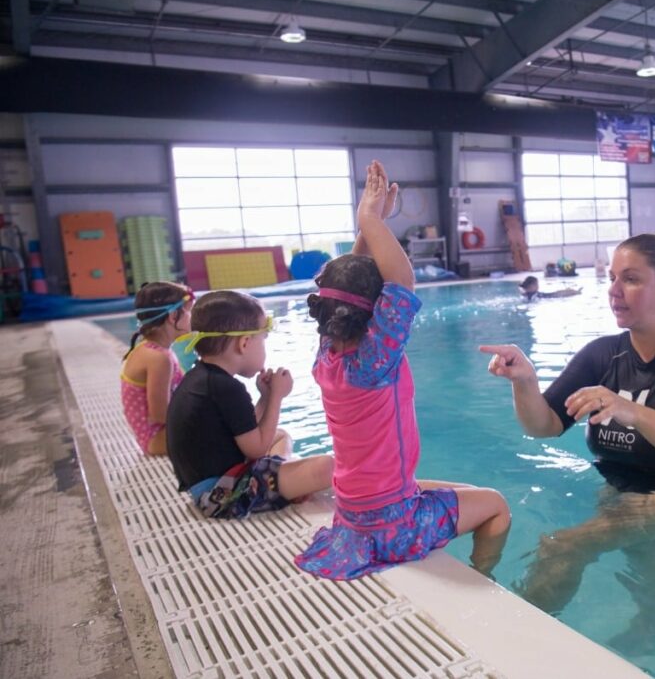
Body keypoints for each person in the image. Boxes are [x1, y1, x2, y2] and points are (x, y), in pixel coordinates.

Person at [480, 233, 655, 633]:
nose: (614, 291)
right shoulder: (603, 355)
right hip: (620, 489)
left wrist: (634, 412)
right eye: (612, 278)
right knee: (648, 553)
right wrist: (525, 382)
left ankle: (516, 645)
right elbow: (545, 425)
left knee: (565, 546)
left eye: (631, 279)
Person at [295, 160, 510, 581]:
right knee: (496, 503)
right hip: (392, 527)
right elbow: (403, 282)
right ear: (379, 311)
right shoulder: (377, 361)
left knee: (454, 489)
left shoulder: (328, 358)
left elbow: (345, 282)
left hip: (355, 516)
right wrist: (370, 218)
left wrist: (370, 226)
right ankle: (485, 578)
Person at [166, 290, 333, 519]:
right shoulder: (227, 388)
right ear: (244, 343)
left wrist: (264, 397)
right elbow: (256, 449)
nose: (264, 348)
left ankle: (287, 480)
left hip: (207, 486)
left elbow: (247, 432)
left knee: (280, 435)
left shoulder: (202, 377)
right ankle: (289, 482)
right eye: (263, 340)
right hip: (223, 496)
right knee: (326, 466)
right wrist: (276, 396)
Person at [120, 281, 194, 456]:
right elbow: (160, 414)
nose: (192, 316)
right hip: (156, 439)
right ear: (172, 316)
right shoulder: (159, 359)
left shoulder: (152, 349)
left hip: (158, 434)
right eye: (189, 310)